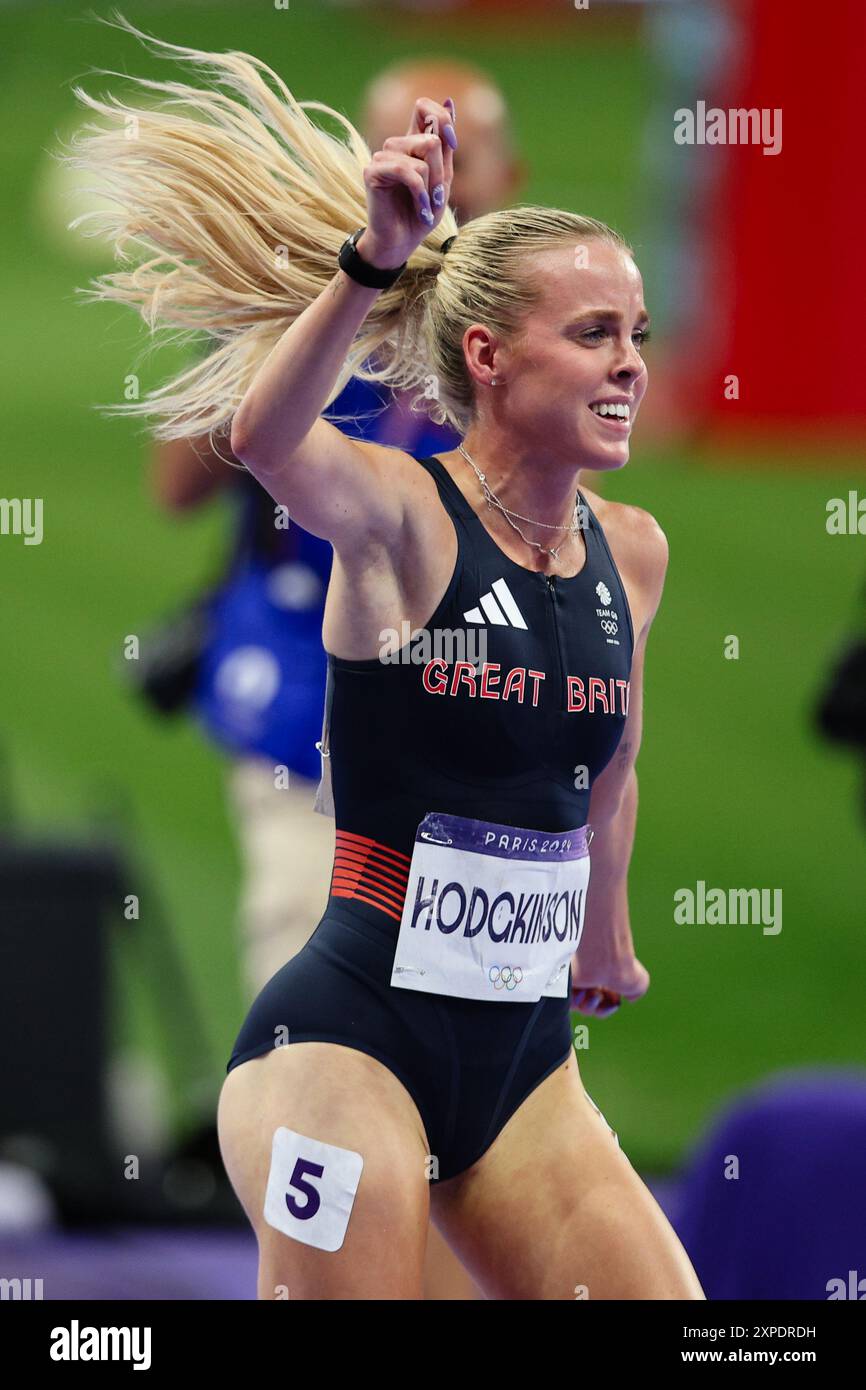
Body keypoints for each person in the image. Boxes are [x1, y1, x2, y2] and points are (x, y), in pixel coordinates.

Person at [66, 22, 703, 1299]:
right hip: (344, 1049)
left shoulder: (630, 550)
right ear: (487, 356)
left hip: (527, 1067)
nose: (632, 362)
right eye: (593, 335)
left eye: (635, 330)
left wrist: (605, 924)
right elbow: (258, 437)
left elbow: (612, 758)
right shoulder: (404, 517)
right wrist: (368, 261)